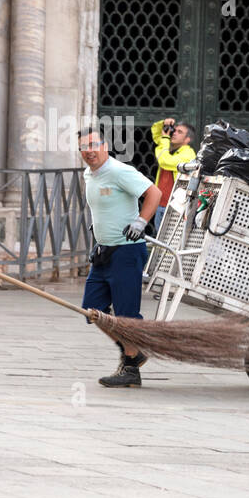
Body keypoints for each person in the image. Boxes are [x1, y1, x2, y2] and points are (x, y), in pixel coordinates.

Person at [78, 124, 161, 388]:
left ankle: (130, 368)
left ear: (105, 146)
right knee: (93, 311)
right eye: (84, 147)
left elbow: (154, 193)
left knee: (126, 314)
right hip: (103, 252)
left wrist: (140, 222)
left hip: (126, 251)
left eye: (94, 145)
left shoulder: (119, 171)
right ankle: (136, 349)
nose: (89, 151)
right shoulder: (89, 174)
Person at [151, 117, 196, 234]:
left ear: (187, 139)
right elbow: (156, 135)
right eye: (174, 130)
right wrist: (163, 123)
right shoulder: (169, 149)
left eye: (179, 132)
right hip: (161, 205)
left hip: (175, 208)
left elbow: (165, 161)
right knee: (160, 245)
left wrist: (165, 138)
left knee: (170, 245)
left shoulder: (188, 154)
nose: (174, 133)